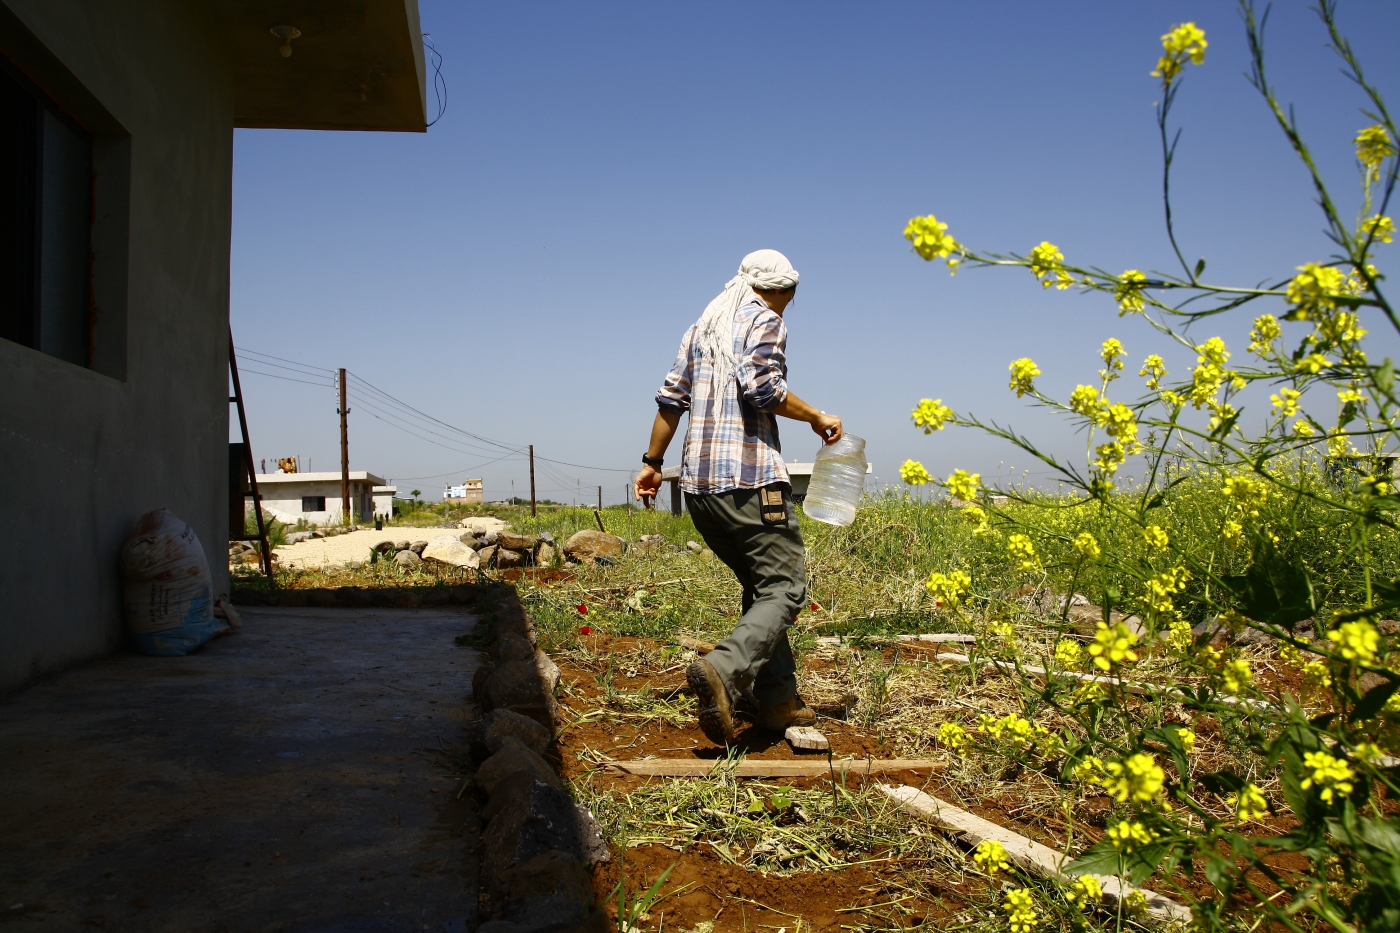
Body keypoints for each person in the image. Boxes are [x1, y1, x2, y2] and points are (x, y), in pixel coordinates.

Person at [634, 249, 842, 745]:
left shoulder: (702, 327)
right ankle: (723, 672)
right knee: (787, 589)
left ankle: (776, 702)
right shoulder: (764, 319)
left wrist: (652, 463)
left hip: (700, 489)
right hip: (749, 482)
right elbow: (763, 388)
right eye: (789, 299)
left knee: (761, 587)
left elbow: (671, 400)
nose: (787, 307)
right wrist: (816, 416)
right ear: (780, 290)